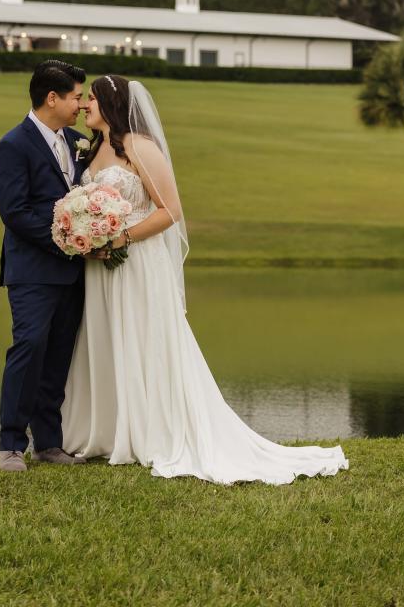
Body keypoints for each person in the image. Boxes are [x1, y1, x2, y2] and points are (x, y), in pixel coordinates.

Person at [62, 74, 350, 485]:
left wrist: (119, 236)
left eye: (90, 97)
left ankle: (148, 430)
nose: (85, 104)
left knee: (143, 340)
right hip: (100, 269)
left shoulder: (139, 147)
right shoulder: (91, 151)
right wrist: (87, 233)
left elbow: (169, 211)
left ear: (109, 103)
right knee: (107, 340)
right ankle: (107, 431)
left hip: (136, 263)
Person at [0, 60, 89, 472]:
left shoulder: (79, 141)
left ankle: (49, 443)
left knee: (58, 357)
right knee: (29, 350)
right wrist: (67, 242)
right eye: (76, 97)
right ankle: (12, 444)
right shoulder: (13, 145)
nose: (81, 105)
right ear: (53, 98)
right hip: (33, 271)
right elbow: (15, 213)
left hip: (74, 274)